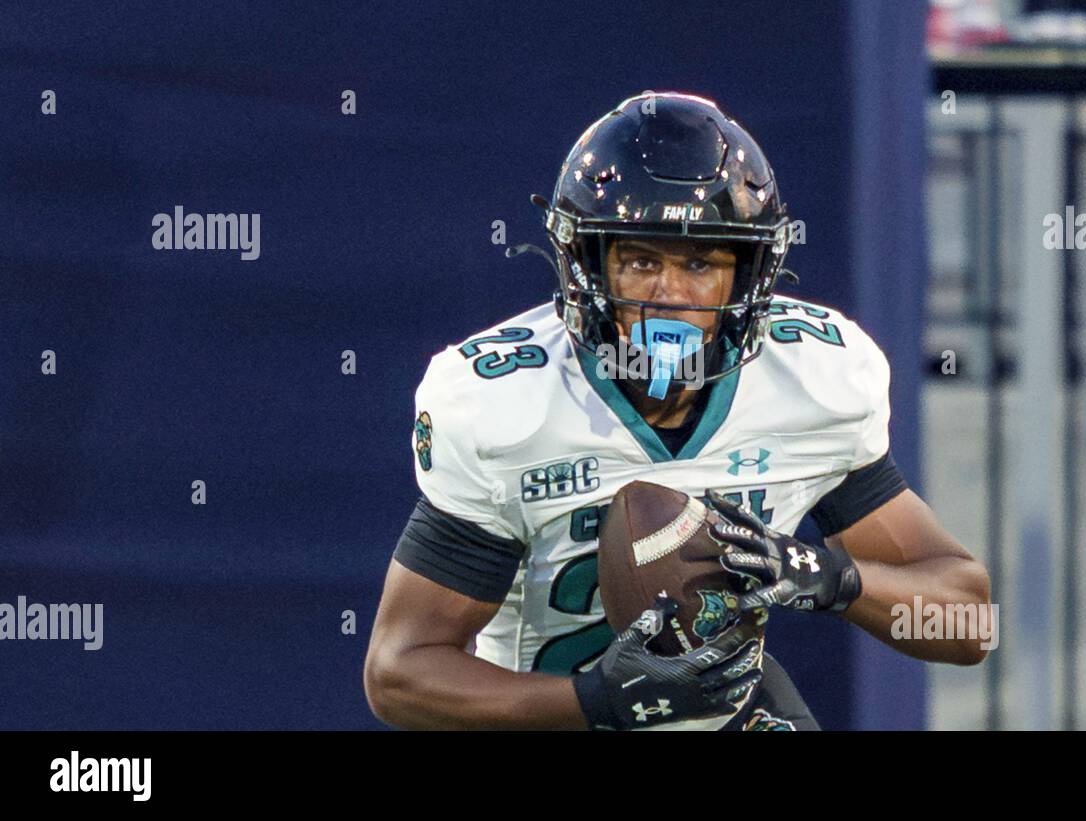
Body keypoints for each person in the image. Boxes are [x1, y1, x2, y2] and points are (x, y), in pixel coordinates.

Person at [364, 92, 990, 731]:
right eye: (640, 261)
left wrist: (826, 575)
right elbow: (399, 672)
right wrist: (601, 700)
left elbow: (968, 623)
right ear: (585, 265)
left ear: (748, 276)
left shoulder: (813, 383)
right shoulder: (509, 408)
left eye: (700, 263)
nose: (670, 296)